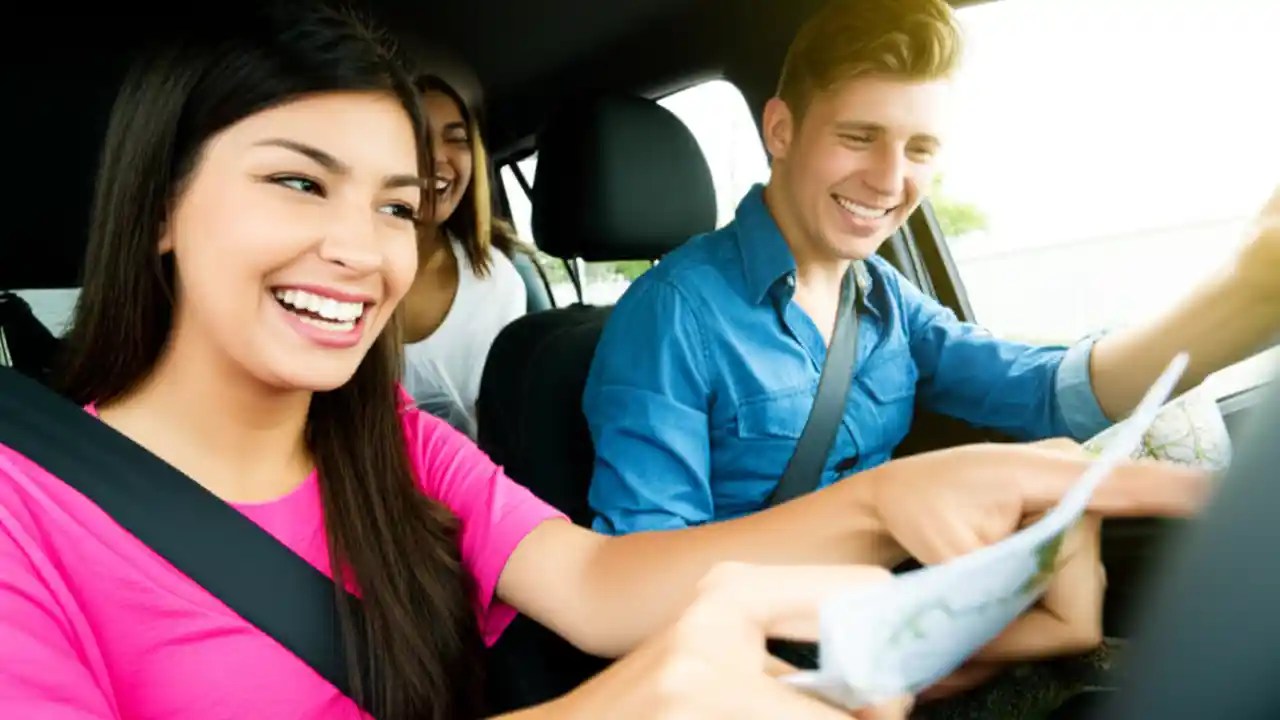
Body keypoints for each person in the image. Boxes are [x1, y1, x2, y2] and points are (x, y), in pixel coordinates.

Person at [0, 4, 1209, 719]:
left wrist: (889, 497)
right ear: (159, 206)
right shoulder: (28, 511)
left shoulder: (396, 447)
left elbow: (595, 579)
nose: (357, 250)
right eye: (295, 181)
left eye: (394, 204)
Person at [583, 0, 1280, 536]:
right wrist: (876, 523)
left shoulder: (885, 299)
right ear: (781, 131)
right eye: (860, 138)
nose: (890, 180)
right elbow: (646, 570)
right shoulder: (672, 315)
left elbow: (1043, 391)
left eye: (919, 149)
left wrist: (1246, 291)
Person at [400, 73, 528, 438]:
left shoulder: (498, 283)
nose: (438, 157)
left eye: (456, 140)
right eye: (416, 137)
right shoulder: (342, 265)